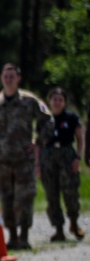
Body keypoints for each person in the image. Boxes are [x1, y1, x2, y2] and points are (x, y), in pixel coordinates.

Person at [0, 63, 54, 250]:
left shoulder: (29, 100)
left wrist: (37, 142)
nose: (8, 79)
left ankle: (24, 237)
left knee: (25, 197)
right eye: (5, 76)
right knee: (6, 198)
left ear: (18, 78)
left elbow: (48, 120)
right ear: (1, 78)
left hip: (24, 160)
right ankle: (11, 237)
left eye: (12, 76)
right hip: (3, 161)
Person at [40, 87, 84, 241]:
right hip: (48, 156)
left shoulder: (71, 117)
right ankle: (58, 229)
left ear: (64, 102)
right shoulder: (43, 119)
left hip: (67, 155)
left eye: (60, 99)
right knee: (51, 194)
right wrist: (37, 165)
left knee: (70, 192)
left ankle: (74, 223)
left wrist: (78, 157)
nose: (57, 102)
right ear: (49, 101)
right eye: (54, 99)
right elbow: (37, 143)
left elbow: (80, 138)